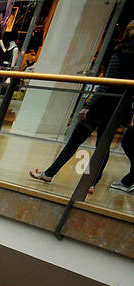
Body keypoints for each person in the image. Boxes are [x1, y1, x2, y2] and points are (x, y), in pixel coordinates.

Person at [30, 23, 134, 193]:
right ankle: (91, 183)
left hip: (103, 105)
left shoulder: (120, 50)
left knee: (74, 142)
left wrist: (88, 105)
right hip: (120, 108)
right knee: (103, 147)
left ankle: (49, 173)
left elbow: (106, 83)